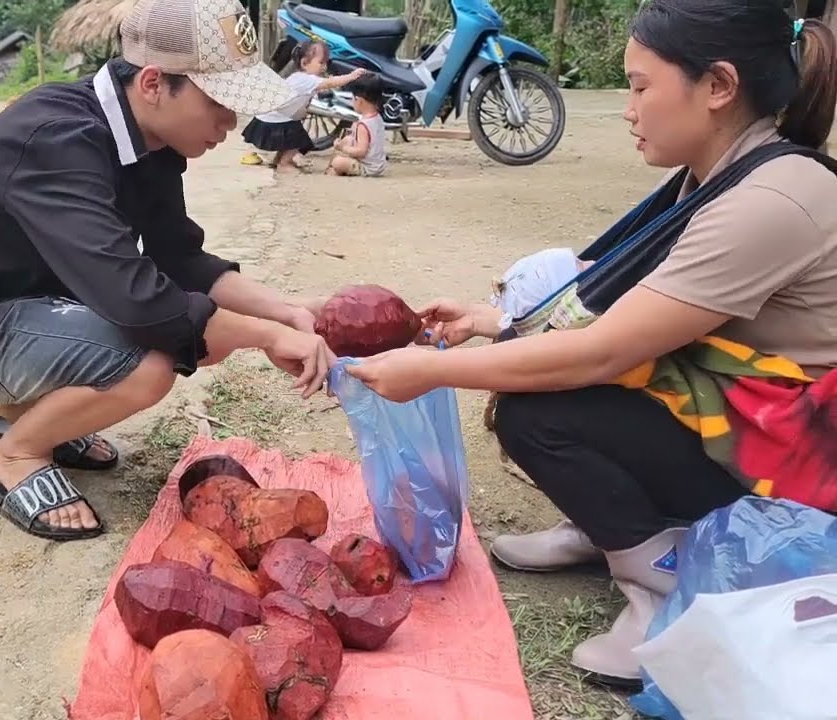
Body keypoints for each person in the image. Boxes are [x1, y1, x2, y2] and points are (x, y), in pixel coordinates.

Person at [345, 0, 837, 686]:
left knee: (538, 410)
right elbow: (617, 296)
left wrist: (434, 371)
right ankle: (617, 525)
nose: (628, 110)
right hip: (744, 419)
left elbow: (601, 348)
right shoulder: (724, 173)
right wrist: (491, 320)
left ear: (718, 86)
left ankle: (663, 581)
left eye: (640, 87)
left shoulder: (772, 201)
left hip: (797, 475)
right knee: (547, 368)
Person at [0, 0, 336, 543]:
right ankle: (18, 453)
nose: (230, 123)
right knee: (152, 362)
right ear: (153, 83)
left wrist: (285, 311)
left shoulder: (151, 141)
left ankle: (36, 414)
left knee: (194, 333)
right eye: (219, 102)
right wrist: (265, 336)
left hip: (37, 311)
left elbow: (179, 259)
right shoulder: (57, 137)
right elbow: (139, 300)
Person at [241, 41, 367, 172]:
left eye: (325, 63)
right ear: (304, 63)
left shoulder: (298, 77)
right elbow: (331, 83)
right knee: (297, 140)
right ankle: (284, 163)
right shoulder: (307, 80)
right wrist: (351, 76)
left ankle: (280, 160)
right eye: (321, 63)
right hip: (276, 120)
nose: (324, 67)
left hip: (274, 117)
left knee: (290, 140)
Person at [327, 73, 388, 177]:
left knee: (337, 162)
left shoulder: (363, 125)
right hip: (378, 165)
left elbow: (361, 151)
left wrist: (342, 148)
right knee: (348, 139)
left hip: (368, 168)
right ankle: (333, 171)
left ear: (359, 101)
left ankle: (331, 173)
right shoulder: (377, 117)